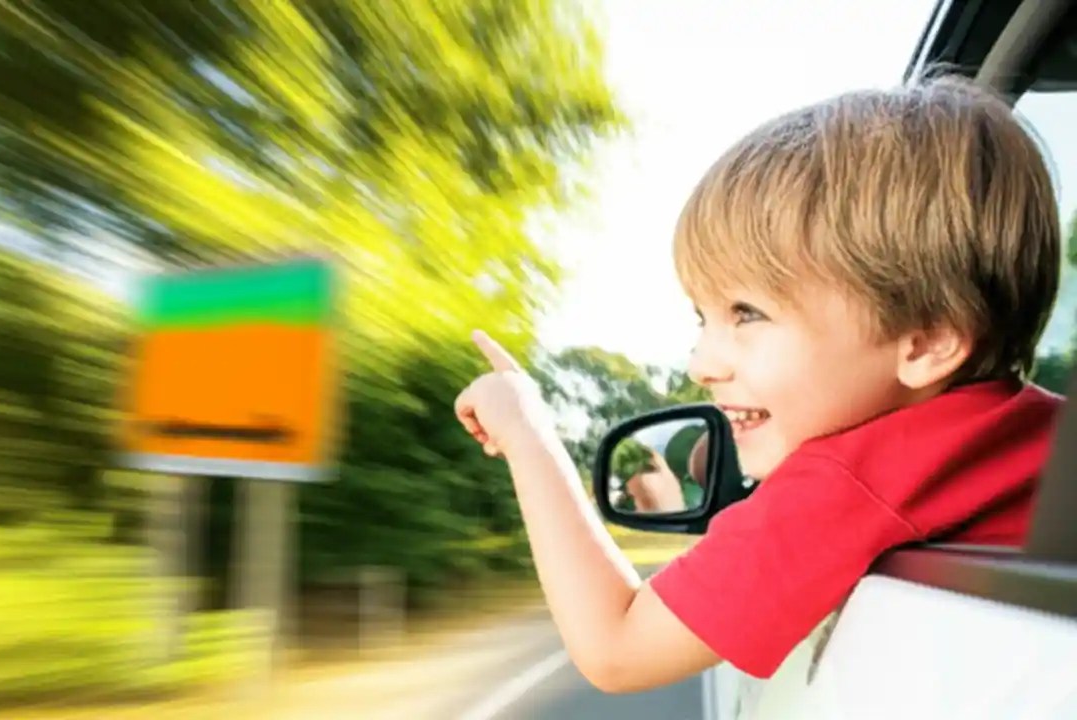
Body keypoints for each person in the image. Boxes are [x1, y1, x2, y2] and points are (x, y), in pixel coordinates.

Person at [453, 76, 1064, 691]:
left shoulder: (852, 480)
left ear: (927, 342)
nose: (700, 363)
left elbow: (616, 648)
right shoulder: (1032, 431)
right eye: (703, 317)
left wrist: (527, 431)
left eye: (747, 313)